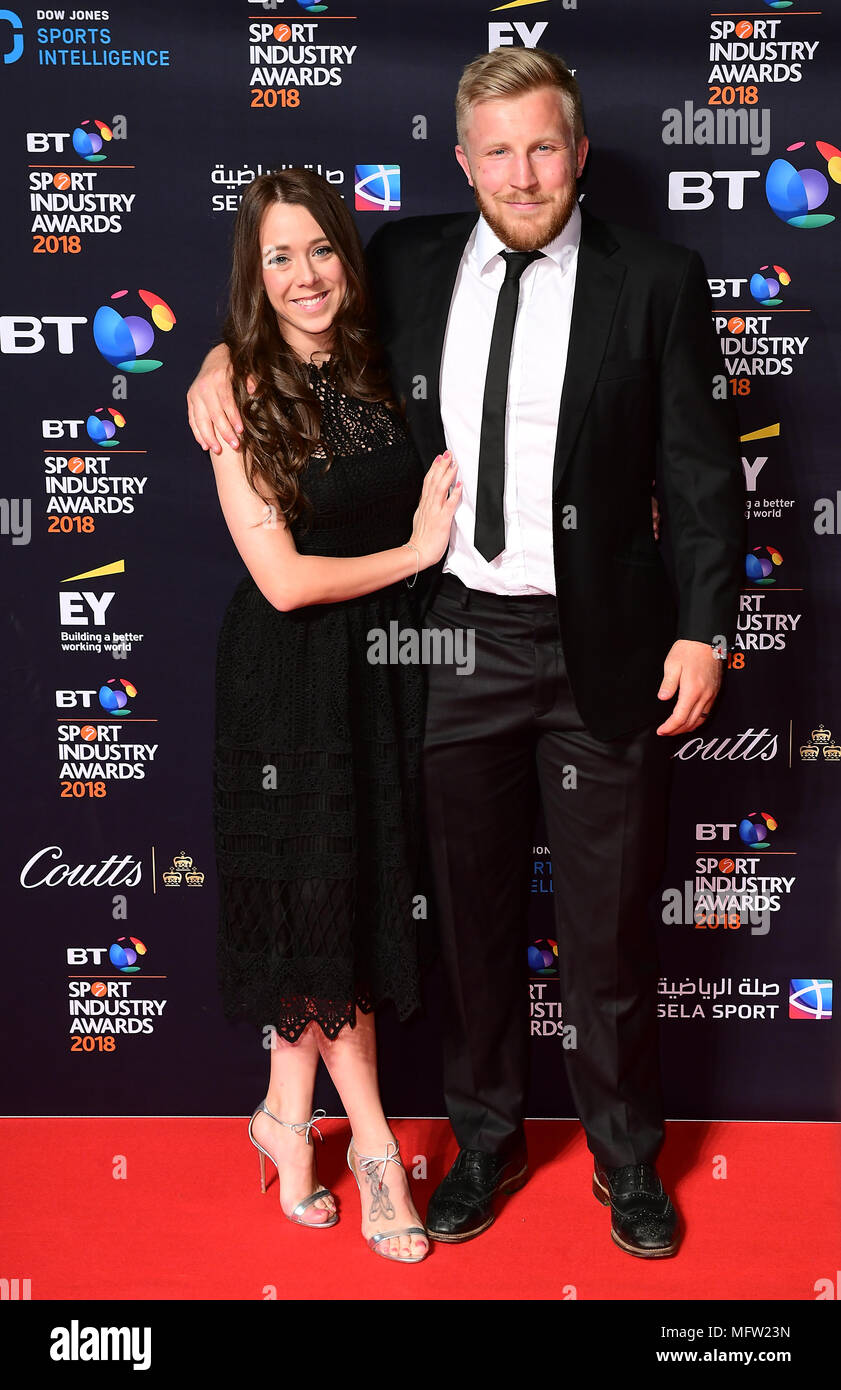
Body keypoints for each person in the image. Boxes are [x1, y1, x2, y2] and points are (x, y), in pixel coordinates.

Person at [188, 50, 745, 1259]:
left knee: (605, 936)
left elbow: (702, 477)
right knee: (471, 926)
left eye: (543, 146)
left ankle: (625, 1161)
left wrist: (706, 625)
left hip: (607, 647)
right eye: (495, 151)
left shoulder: (657, 277)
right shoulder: (408, 260)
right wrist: (216, 362)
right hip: (448, 643)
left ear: (580, 150)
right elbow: (290, 318)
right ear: (460, 162)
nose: (521, 172)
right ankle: (485, 1143)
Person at [206, 167, 460, 1263]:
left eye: (319, 249)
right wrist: (415, 551)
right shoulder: (242, 397)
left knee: (344, 899)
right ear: (252, 277)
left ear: (346, 261)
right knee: (325, 902)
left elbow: (502, 223)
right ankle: (370, 1147)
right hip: (290, 679)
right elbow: (284, 582)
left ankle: (280, 1116)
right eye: (279, 256)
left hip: (381, 677)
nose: (304, 273)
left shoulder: (377, 364)